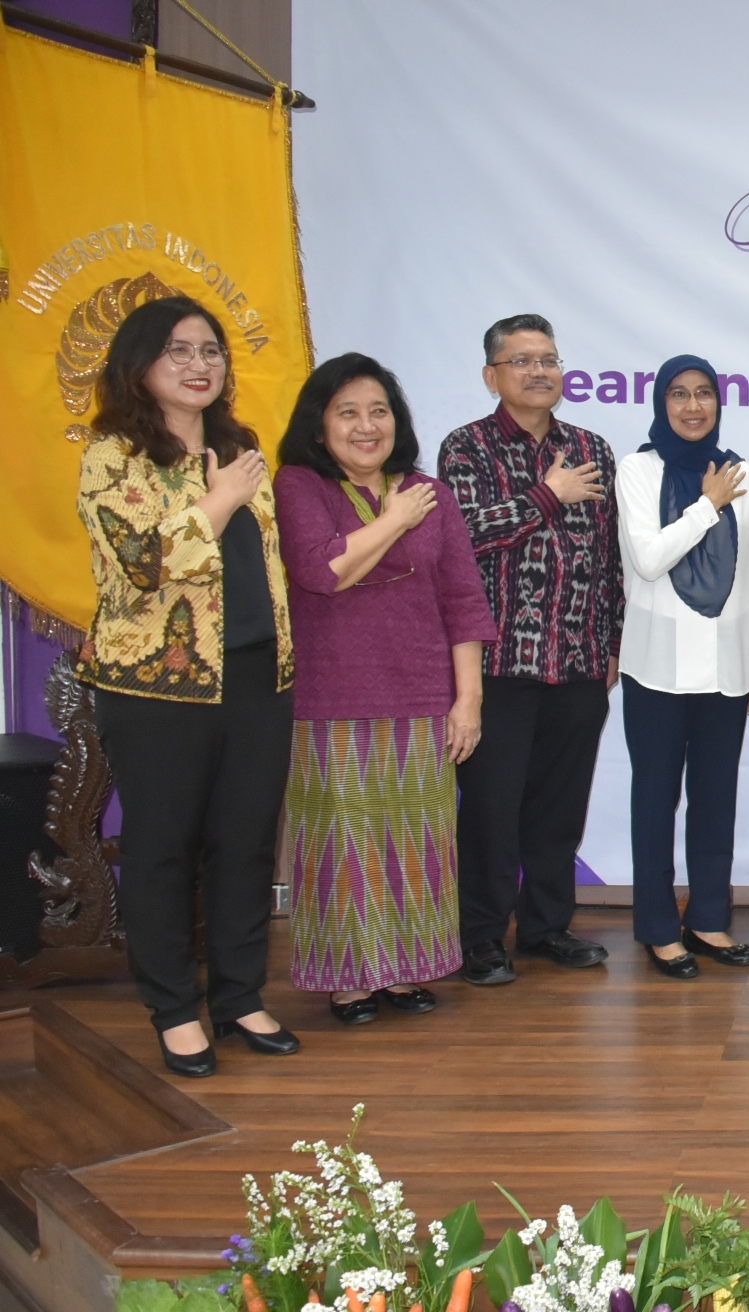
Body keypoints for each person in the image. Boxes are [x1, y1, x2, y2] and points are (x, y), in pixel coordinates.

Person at [75, 296, 299, 1077]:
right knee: (163, 849)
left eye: (210, 351)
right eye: (179, 351)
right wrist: (219, 501)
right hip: (156, 689)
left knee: (243, 845)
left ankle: (239, 996)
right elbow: (137, 569)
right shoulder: (113, 457)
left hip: (256, 675)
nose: (200, 364)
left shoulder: (240, 448)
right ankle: (174, 1008)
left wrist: (235, 486)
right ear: (139, 364)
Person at [273, 354, 497, 1023]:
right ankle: (349, 980)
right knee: (343, 847)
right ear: (320, 426)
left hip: (423, 697)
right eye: (348, 413)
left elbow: (462, 601)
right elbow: (323, 572)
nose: (367, 426)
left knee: (416, 841)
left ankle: (405, 972)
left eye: (379, 412)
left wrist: (469, 699)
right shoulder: (299, 485)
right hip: (332, 698)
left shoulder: (428, 490)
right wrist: (395, 520)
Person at [438, 313, 625, 985]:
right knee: (491, 809)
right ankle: (482, 938)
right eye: (522, 361)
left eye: (548, 359)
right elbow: (459, 538)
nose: (540, 371)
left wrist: (612, 640)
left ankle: (547, 927)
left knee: (557, 807)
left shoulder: (591, 447)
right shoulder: (467, 448)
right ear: (493, 375)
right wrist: (548, 495)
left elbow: (606, 555)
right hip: (497, 667)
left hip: (577, 661)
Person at [617, 355, 749, 979]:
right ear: (661, 403)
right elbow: (649, 558)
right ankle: (658, 927)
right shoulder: (637, 468)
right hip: (656, 667)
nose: (691, 407)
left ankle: (708, 917)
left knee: (715, 800)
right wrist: (708, 504)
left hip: (728, 667)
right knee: (655, 800)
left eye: (704, 394)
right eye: (679, 395)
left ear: (718, 402)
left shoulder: (743, 473)